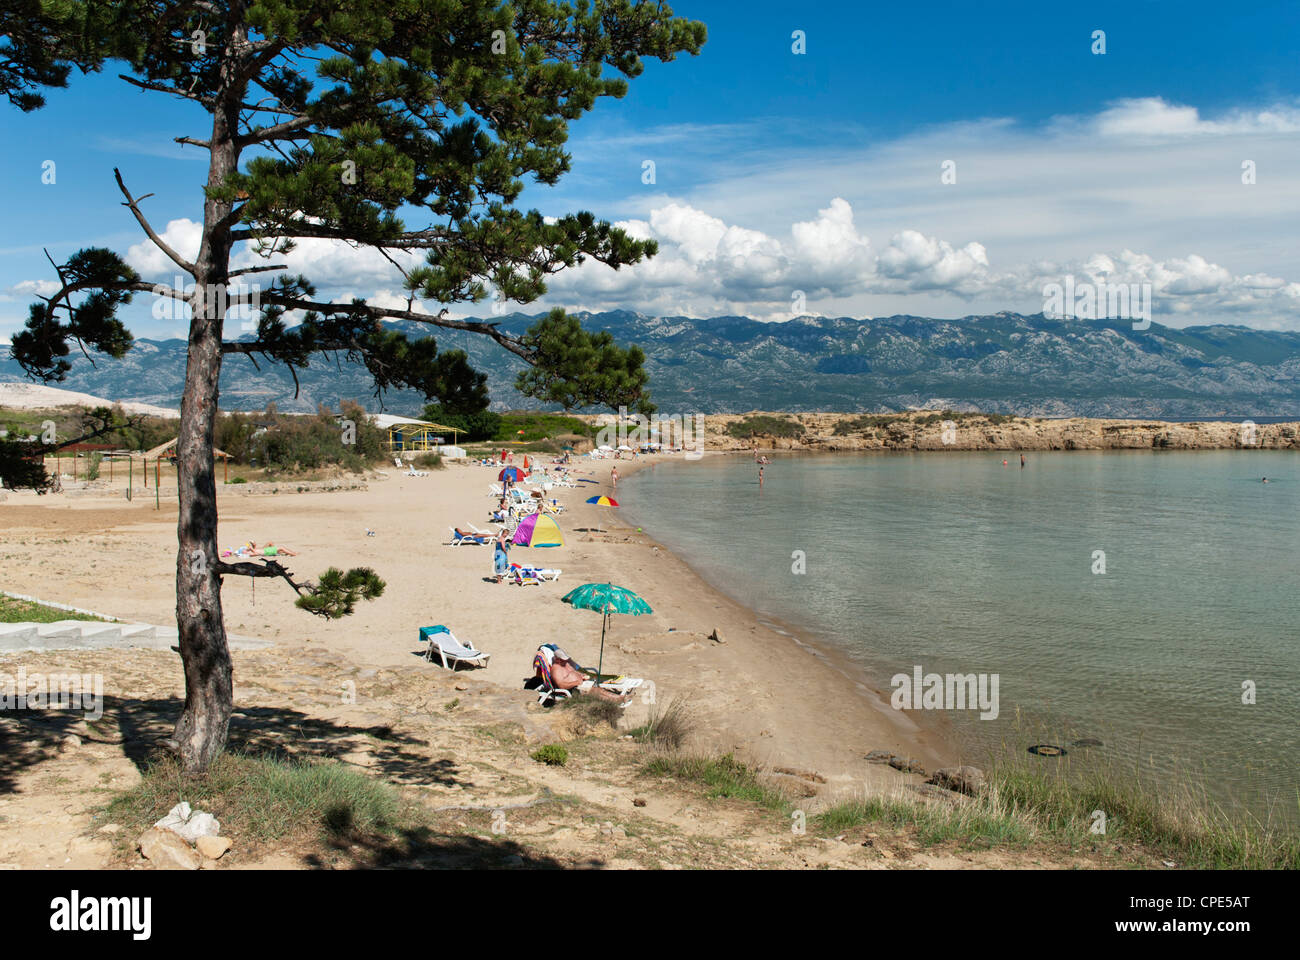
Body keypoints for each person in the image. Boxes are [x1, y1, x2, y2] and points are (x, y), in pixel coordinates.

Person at [547, 649, 631, 703]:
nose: (565, 661)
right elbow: (561, 685)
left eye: (565, 659)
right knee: (595, 692)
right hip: (572, 690)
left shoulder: (565, 663)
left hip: (581, 684)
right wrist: (577, 682)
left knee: (598, 689)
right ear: (557, 659)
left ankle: (619, 698)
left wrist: (581, 675)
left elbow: (573, 671)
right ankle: (616, 700)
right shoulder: (556, 670)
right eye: (563, 660)